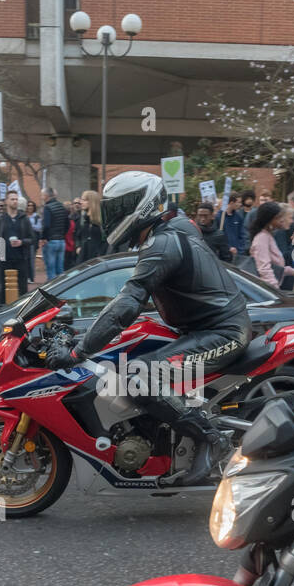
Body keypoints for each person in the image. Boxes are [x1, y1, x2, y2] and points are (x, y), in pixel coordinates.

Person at [46, 170, 252, 487]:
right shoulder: (170, 229)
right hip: (199, 327)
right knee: (132, 350)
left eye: (119, 207)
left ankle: (212, 439)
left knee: (139, 376)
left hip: (223, 332)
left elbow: (127, 302)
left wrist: (78, 350)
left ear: (141, 205)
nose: (113, 215)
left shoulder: (163, 243)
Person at [249, 201, 294, 290]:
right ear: (270, 220)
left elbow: (276, 267)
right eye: (279, 218)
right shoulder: (262, 238)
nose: (282, 220)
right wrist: (275, 291)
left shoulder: (267, 236)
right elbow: (265, 269)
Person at [0, 189, 34, 302]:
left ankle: (22, 310)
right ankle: (3, 310)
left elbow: (32, 239)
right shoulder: (0, 219)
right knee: (3, 288)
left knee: (22, 288)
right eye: (12, 199)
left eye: (16, 199)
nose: (15, 201)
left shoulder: (24, 219)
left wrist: (22, 242)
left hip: (20, 258)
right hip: (4, 259)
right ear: (6, 201)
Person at [40, 187, 69, 280]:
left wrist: (43, 238)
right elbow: (67, 224)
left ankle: (51, 292)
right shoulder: (62, 206)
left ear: (46, 196)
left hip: (51, 241)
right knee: (60, 270)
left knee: (51, 270)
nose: (41, 197)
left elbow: (46, 225)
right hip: (61, 241)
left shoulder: (47, 208)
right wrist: (62, 234)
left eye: (42, 195)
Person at [75, 189, 107, 263]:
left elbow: (105, 241)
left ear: (91, 202)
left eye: (84, 200)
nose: (81, 202)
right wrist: (78, 246)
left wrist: (99, 254)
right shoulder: (83, 219)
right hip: (83, 258)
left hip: (95, 260)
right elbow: (78, 235)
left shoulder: (101, 221)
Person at [219, 193, 246, 261]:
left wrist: (240, 250)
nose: (240, 204)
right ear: (231, 202)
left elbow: (242, 235)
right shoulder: (219, 217)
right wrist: (228, 248)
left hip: (237, 255)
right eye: (239, 202)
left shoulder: (238, 217)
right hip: (223, 255)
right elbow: (218, 236)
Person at [26, 200, 41, 281]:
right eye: (28, 205)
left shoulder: (36, 216)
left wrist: (29, 226)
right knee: (25, 259)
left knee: (31, 259)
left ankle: (31, 277)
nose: (30, 207)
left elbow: (39, 228)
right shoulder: (24, 216)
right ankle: (26, 276)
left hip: (33, 241)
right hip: (25, 241)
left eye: (31, 205)